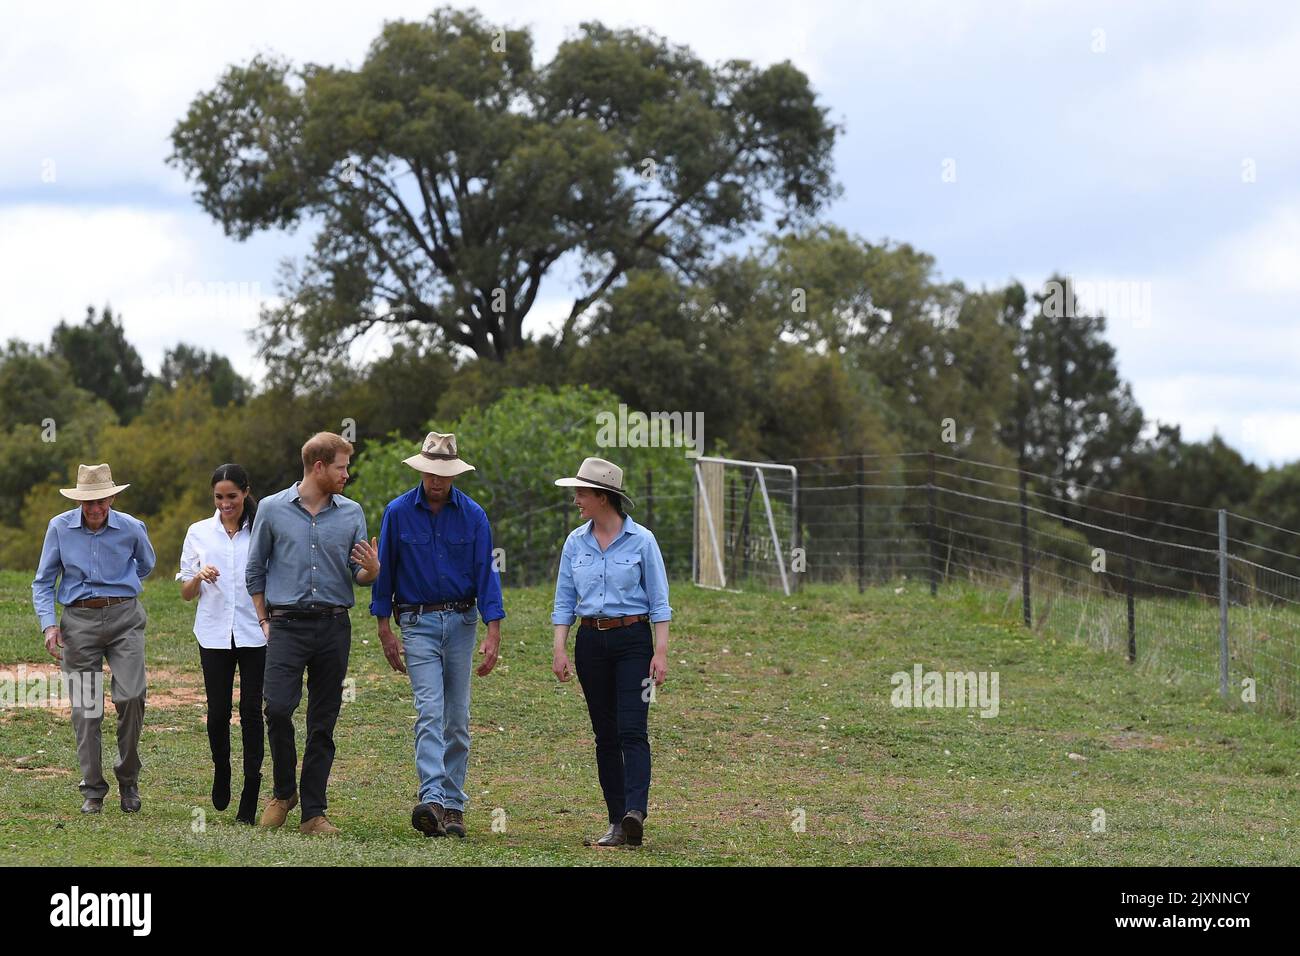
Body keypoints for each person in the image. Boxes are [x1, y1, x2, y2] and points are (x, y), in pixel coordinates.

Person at [370, 431, 504, 839]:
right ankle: (432, 799)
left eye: (444, 474)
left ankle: (453, 805)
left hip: (462, 622)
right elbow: (385, 571)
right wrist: (383, 627)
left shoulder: (474, 515)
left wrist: (493, 629)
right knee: (430, 711)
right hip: (416, 622)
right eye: (430, 472)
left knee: (457, 718)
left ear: (454, 474)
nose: (436, 480)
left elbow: (486, 573)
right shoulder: (397, 512)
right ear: (421, 470)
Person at [245, 432, 379, 836]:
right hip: (285, 625)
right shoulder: (271, 508)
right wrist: (264, 621)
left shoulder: (352, 512)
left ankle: (313, 814)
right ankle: (284, 792)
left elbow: (359, 574)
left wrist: (372, 570)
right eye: (341, 467)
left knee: (323, 721)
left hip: (334, 626)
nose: (347, 474)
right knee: (277, 708)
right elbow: (255, 570)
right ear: (318, 467)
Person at [551, 457, 670, 847]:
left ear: (603, 497)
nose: (576, 500)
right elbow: (564, 601)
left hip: (633, 641)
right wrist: (559, 648)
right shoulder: (574, 542)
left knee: (632, 728)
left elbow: (660, 602)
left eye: (581, 493)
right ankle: (617, 821)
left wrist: (661, 652)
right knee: (605, 735)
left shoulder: (643, 541)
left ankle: (636, 811)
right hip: (591, 644)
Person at [31, 463, 156, 815]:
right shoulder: (59, 528)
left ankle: (128, 779)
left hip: (124, 618)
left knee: (131, 695)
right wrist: (49, 626)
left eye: (101, 501)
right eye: (88, 502)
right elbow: (43, 582)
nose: (95, 508)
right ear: (78, 501)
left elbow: (146, 564)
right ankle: (93, 789)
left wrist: (119, 584)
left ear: (112, 498)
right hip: (78, 622)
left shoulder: (132, 527)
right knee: (86, 709)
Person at [178, 463, 265, 824]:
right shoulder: (199, 532)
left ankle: (251, 789)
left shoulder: (261, 530)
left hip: (256, 633)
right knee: (217, 713)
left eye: (232, 496)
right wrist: (198, 576)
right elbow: (186, 592)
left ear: (245, 492)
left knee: (251, 712)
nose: (225, 503)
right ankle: (222, 768)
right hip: (214, 633)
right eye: (219, 497)